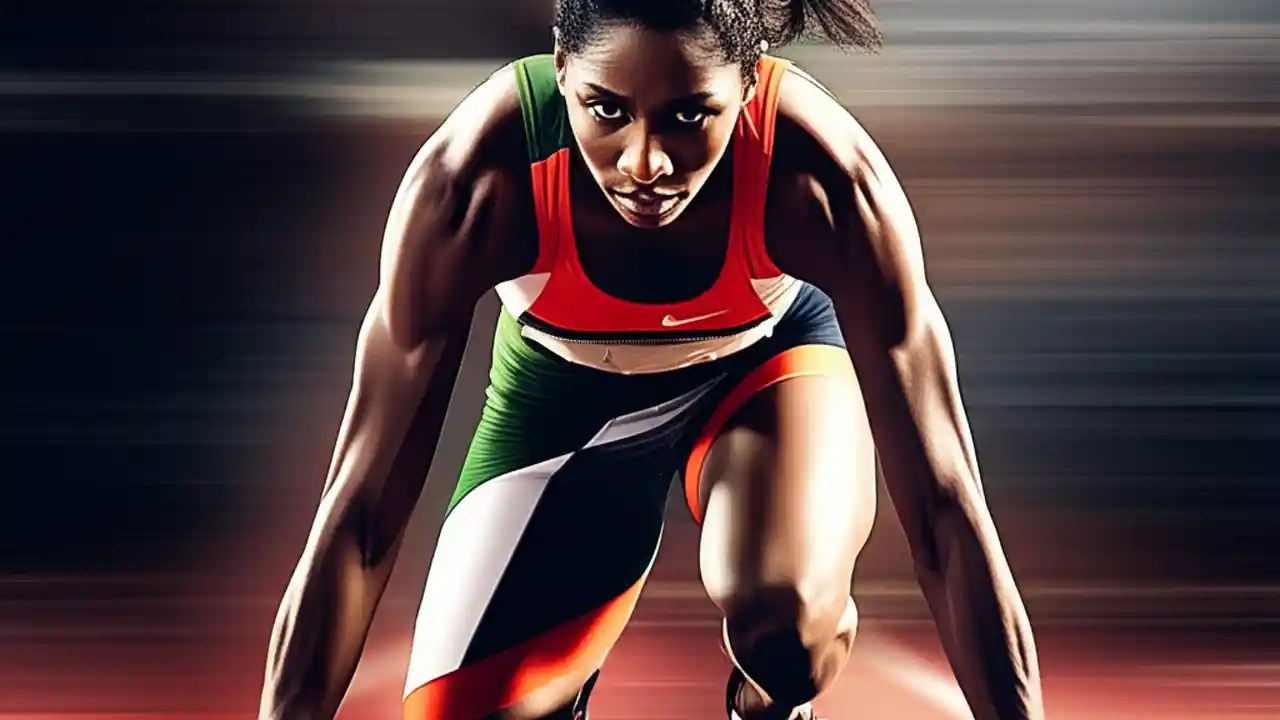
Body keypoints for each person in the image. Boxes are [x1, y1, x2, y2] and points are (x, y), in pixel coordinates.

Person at [259, 1, 1044, 718]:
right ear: (560, 70)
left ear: (748, 81)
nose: (645, 164)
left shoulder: (826, 181)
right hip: (564, 402)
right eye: (607, 110)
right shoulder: (474, 182)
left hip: (768, 367)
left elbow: (947, 513)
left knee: (786, 621)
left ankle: (773, 700)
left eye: (688, 116)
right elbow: (359, 518)